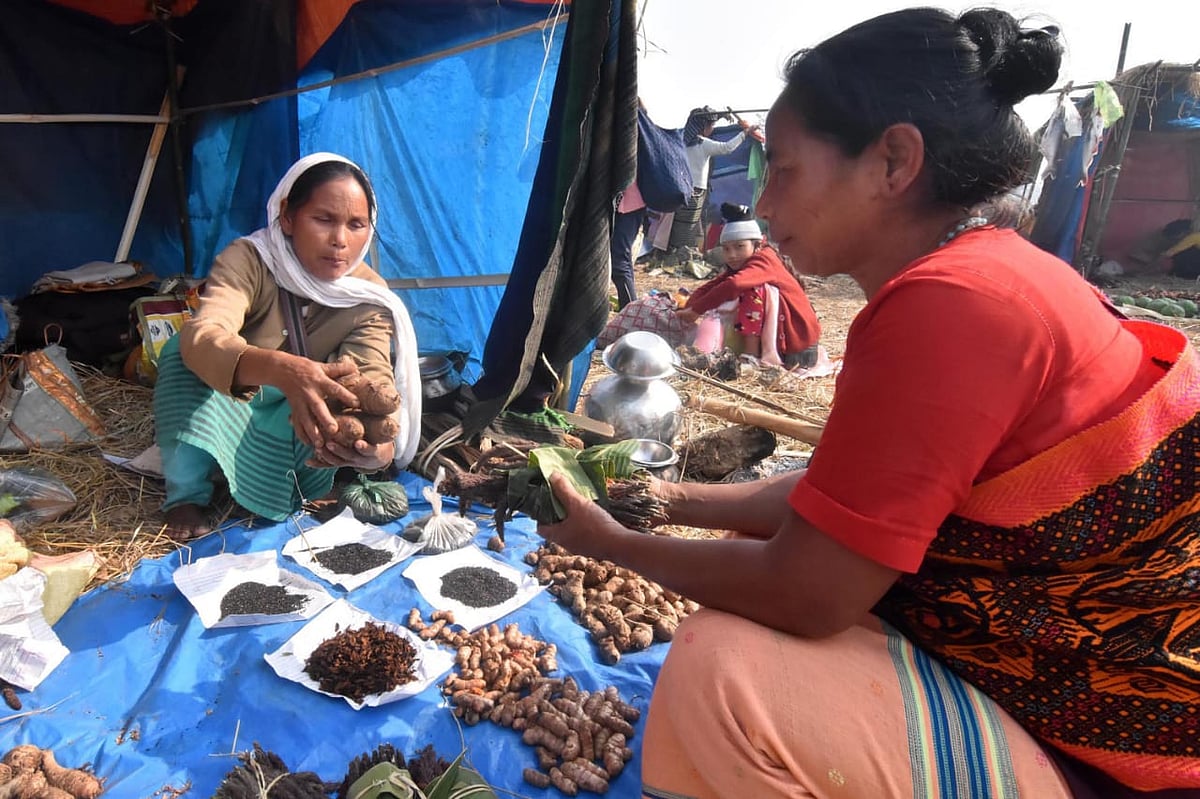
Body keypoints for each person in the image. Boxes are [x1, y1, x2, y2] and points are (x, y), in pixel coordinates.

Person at [540, 7, 1200, 798]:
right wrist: (668, 497)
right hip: (1076, 690)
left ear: (893, 160)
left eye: (783, 169)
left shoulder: (956, 304)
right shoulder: (987, 273)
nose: (768, 204)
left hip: (1127, 752)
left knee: (725, 672)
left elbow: (809, 590)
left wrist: (611, 543)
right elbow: (852, 503)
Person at [153, 153, 422, 540]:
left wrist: (377, 447)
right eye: (324, 219)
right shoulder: (250, 260)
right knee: (181, 351)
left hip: (301, 419)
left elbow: (371, 374)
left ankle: (294, 480)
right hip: (235, 400)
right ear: (288, 217)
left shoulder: (368, 296)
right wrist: (281, 370)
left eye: (356, 224)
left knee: (337, 408)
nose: (340, 241)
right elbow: (206, 333)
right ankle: (186, 495)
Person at [676, 215, 821, 367]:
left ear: (757, 245)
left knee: (752, 289)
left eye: (739, 247)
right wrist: (688, 307)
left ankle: (750, 355)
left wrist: (697, 310)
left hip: (797, 350)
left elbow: (734, 284)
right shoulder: (746, 262)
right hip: (794, 347)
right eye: (726, 249)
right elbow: (714, 284)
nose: (732, 255)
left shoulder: (763, 260)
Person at [667, 106, 756, 251]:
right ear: (703, 126)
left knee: (683, 223)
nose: (712, 129)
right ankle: (682, 252)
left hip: (682, 187)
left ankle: (679, 250)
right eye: (711, 125)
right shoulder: (702, 143)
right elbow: (726, 148)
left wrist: (722, 115)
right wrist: (745, 133)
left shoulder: (682, 141)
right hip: (695, 190)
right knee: (689, 224)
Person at [610, 179, 645, 309]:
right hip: (633, 203)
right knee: (623, 258)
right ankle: (631, 307)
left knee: (619, 263)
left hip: (627, 203)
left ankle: (630, 311)